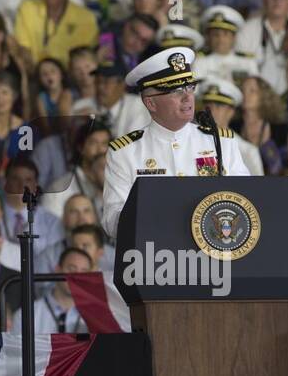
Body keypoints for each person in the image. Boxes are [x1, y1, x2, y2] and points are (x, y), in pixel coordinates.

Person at [102, 46, 252, 236]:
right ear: (150, 102)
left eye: (190, 87)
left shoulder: (220, 141)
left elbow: (245, 199)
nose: (188, 96)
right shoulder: (124, 152)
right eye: (176, 91)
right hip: (156, 255)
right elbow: (112, 223)